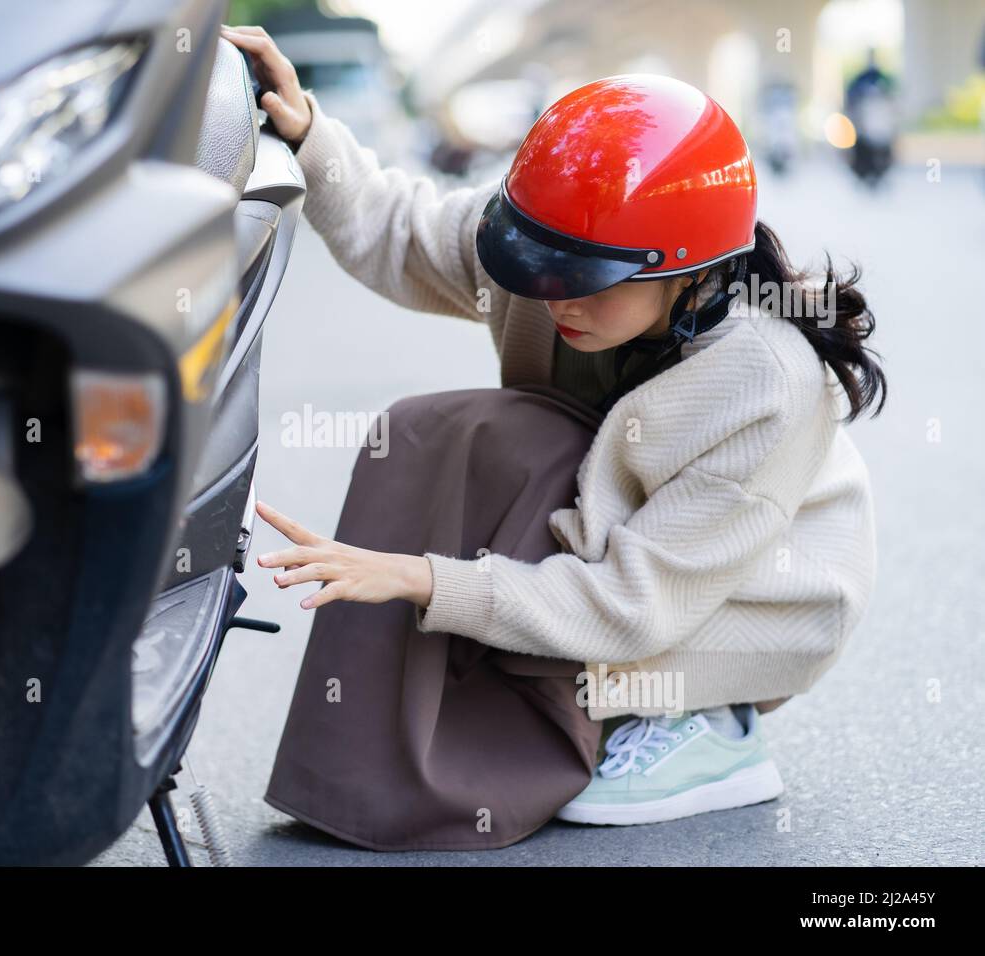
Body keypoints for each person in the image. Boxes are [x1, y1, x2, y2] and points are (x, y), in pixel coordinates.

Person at [222, 25, 885, 829]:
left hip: (747, 596)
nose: (555, 295)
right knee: (454, 428)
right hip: (624, 526)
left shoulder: (763, 383)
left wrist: (426, 580)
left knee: (591, 631)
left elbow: (634, 601)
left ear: (690, 268)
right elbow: (402, 230)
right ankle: (562, 698)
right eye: (537, 263)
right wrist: (310, 135)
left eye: (587, 279)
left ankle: (707, 722)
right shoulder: (551, 250)